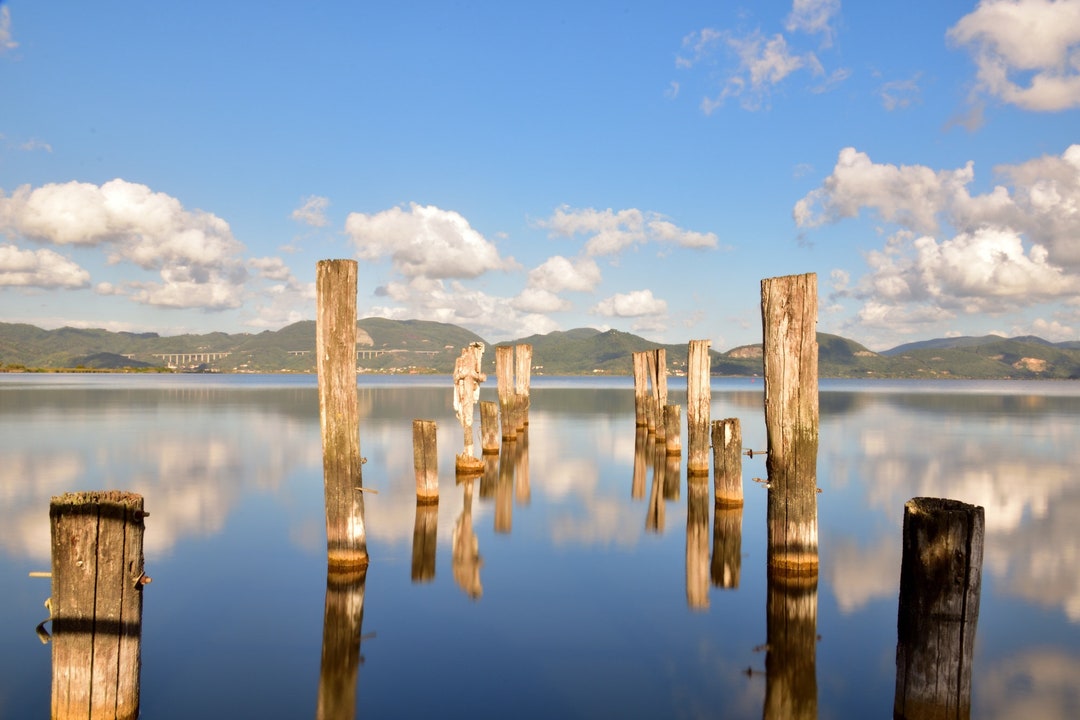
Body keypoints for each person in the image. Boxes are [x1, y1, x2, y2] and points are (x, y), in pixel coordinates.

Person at [453, 342, 486, 460]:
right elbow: (455, 376)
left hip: (468, 394)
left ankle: (469, 452)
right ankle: (468, 452)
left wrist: (480, 376)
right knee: (465, 417)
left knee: (468, 418)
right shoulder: (462, 365)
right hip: (462, 394)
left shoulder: (470, 371)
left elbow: (480, 377)